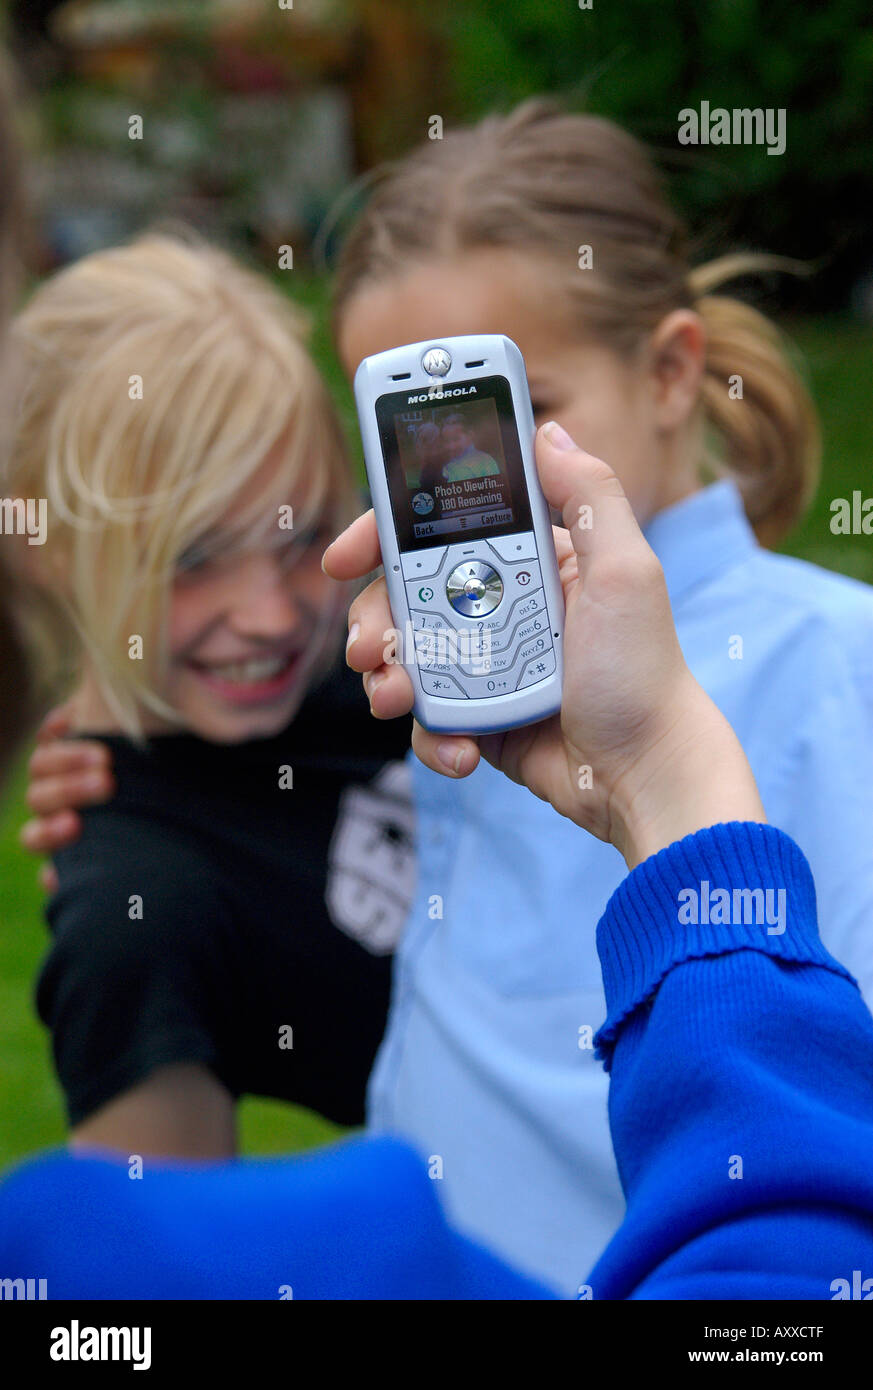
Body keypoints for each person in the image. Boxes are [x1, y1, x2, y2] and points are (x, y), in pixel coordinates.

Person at [23, 98, 873, 1292]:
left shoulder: (841, 675)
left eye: (524, 417)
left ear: (675, 370)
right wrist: (118, 761)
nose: (471, 486)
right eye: (409, 451)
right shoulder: (399, 660)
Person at [2, 232, 415, 1159]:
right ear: (42, 545)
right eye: (190, 558)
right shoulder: (136, 919)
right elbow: (169, 1262)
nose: (270, 616)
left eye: (299, 533)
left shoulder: (395, 649)